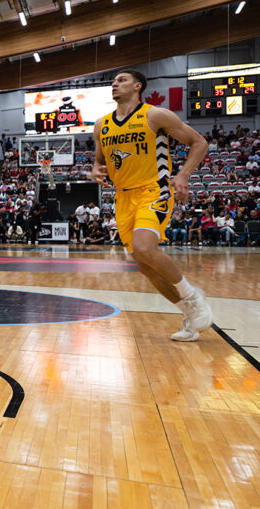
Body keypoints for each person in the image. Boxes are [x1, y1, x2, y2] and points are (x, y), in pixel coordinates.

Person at [92, 70, 212, 342]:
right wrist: (96, 168)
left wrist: (182, 175)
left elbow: (199, 143)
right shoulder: (102, 124)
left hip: (153, 190)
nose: (114, 84)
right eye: (113, 81)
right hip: (123, 197)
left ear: (138, 86)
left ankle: (193, 296)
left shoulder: (155, 115)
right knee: (144, 265)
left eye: (121, 80)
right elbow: (99, 158)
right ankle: (190, 313)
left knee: (146, 247)